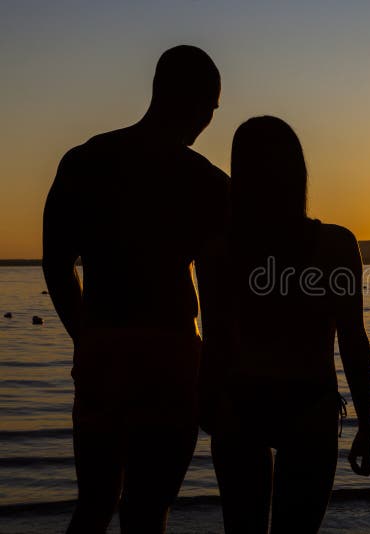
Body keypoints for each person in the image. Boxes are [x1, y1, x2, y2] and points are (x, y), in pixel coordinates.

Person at [42, 45, 229, 533]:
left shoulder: (84, 161)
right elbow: (219, 290)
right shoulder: (207, 182)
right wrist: (214, 369)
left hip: (104, 346)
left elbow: (56, 265)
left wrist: (85, 335)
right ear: (193, 100)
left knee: (95, 503)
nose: (208, 121)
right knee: (148, 509)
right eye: (210, 108)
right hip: (172, 352)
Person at [200, 116, 370, 533]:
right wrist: (367, 425)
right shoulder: (336, 245)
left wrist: (205, 405)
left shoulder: (218, 250)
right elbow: (353, 339)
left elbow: (215, 341)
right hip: (309, 404)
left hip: (241, 403)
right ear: (298, 171)